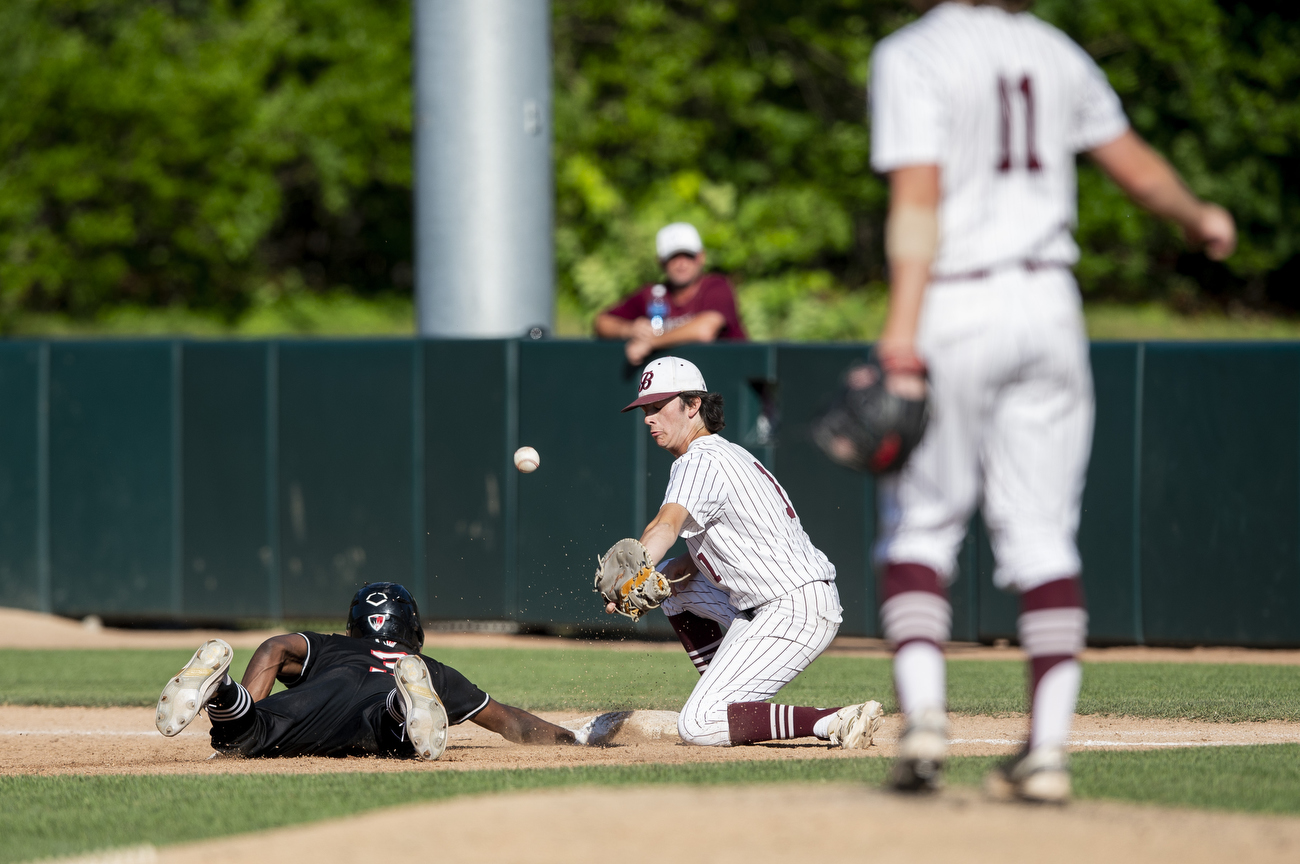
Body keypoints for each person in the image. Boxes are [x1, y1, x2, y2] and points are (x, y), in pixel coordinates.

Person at [867, 0, 1236, 801]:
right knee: (1042, 536)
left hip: (958, 301)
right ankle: (1048, 751)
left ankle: (926, 718)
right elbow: (1135, 168)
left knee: (922, 525)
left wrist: (900, 336)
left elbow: (919, 202)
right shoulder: (1054, 49)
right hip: (1051, 306)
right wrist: (1199, 215)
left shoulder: (914, 53)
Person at [613, 355, 883, 748]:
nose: (649, 418)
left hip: (792, 607)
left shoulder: (699, 461)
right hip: (768, 602)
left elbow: (664, 526)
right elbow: (699, 559)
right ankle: (726, 700)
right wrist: (653, 577)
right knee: (672, 585)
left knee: (698, 727)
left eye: (658, 407)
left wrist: (634, 569)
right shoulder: (727, 454)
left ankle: (832, 720)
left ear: (693, 405)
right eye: (645, 410)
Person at [155, 582, 575, 759]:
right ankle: (399, 703)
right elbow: (511, 723)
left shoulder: (332, 644)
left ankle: (225, 691)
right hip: (379, 703)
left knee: (244, 734)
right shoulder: (432, 669)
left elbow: (275, 646)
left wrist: (255, 716)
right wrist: (571, 740)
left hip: (318, 694)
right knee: (393, 736)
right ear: (411, 628)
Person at [595, 223, 747, 366]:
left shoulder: (716, 286)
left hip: (729, 375)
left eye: (688, 255)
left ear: (701, 257)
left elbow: (705, 330)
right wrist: (630, 330)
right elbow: (602, 322)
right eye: (673, 257)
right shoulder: (653, 294)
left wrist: (651, 342)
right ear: (661, 262)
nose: (681, 263)